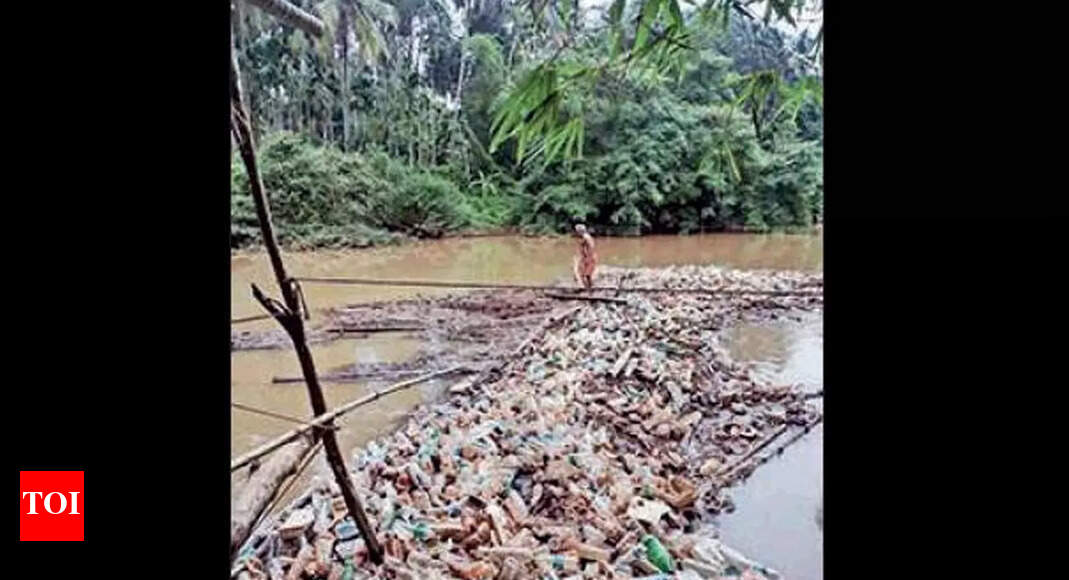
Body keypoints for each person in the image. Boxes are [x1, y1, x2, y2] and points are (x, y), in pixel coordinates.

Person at [572, 224, 597, 290]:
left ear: (580, 231)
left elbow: (591, 247)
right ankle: (588, 287)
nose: (576, 233)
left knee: (586, 274)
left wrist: (588, 257)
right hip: (587, 257)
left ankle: (589, 287)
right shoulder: (584, 237)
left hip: (589, 257)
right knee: (584, 273)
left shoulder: (586, 237)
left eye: (577, 231)